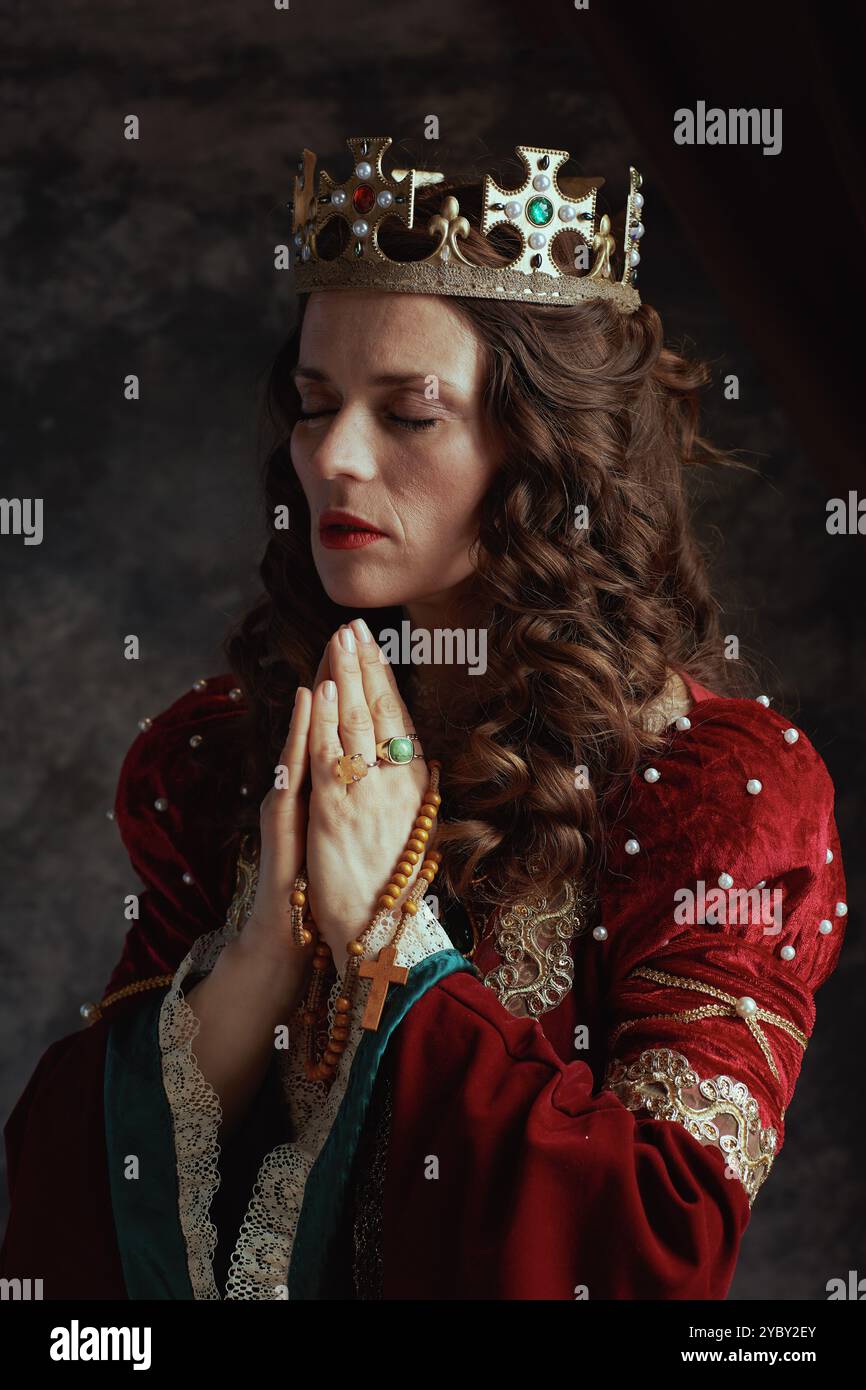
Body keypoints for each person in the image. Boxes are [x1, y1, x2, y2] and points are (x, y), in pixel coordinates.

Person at [1, 136, 848, 1300]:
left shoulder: (708, 793)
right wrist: (256, 959)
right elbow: (66, 1210)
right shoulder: (224, 755)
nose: (332, 458)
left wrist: (394, 952)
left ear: (546, 448)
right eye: (313, 406)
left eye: (408, 413)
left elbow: (651, 1245)